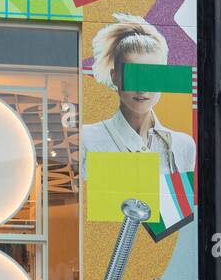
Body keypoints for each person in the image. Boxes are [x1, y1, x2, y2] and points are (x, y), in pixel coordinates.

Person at [81, 14, 196, 175]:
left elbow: (182, 199)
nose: (142, 88)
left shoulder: (183, 145)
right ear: (115, 77)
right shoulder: (87, 138)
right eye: (133, 75)